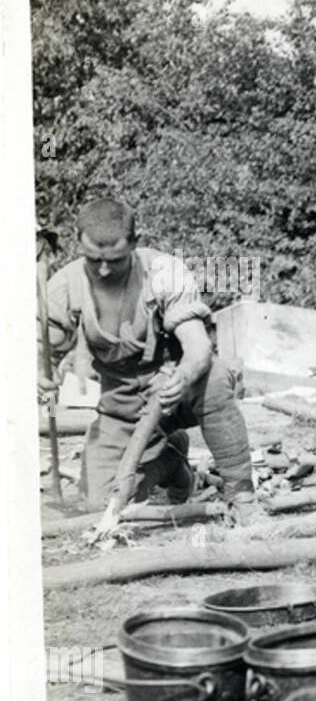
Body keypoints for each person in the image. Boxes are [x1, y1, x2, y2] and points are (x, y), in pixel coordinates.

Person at [38, 198, 258, 520]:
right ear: (78, 241)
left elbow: (198, 346)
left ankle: (242, 497)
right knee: (101, 506)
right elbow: (41, 348)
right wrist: (40, 375)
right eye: (93, 259)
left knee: (214, 377)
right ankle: (170, 463)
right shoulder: (65, 286)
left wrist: (182, 377)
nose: (102, 270)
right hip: (120, 406)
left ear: (135, 244)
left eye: (114, 260)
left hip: (176, 392)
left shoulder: (163, 271)